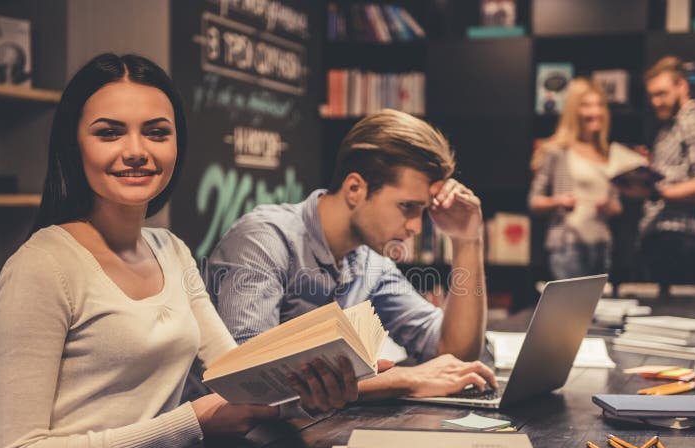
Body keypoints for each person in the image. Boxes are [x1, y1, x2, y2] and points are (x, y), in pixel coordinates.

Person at [0, 53, 356, 448]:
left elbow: (236, 377)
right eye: (109, 132)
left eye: (156, 132)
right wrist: (190, 422)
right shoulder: (40, 266)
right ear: (74, 146)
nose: (137, 150)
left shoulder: (170, 251)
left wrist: (305, 396)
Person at [205, 109, 498, 401]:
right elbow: (252, 384)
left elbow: (454, 352)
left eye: (422, 210)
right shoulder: (264, 239)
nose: (415, 227)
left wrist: (467, 240)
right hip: (221, 445)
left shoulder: (371, 262)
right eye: (407, 207)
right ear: (355, 189)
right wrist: (401, 380)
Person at [621, 56, 695, 286]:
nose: (655, 102)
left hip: (682, 239)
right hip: (658, 237)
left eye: (661, 94)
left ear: (682, 86)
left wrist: (657, 193)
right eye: (651, 96)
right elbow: (670, 175)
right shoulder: (668, 128)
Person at [528, 77, 623, 280]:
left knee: (600, 309)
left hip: (602, 244)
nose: (595, 112)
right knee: (572, 310)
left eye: (599, 105)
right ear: (574, 111)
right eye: (587, 105)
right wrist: (559, 201)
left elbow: (617, 205)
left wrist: (609, 206)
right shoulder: (558, 151)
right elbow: (534, 201)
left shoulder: (609, 153)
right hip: (568, 244)